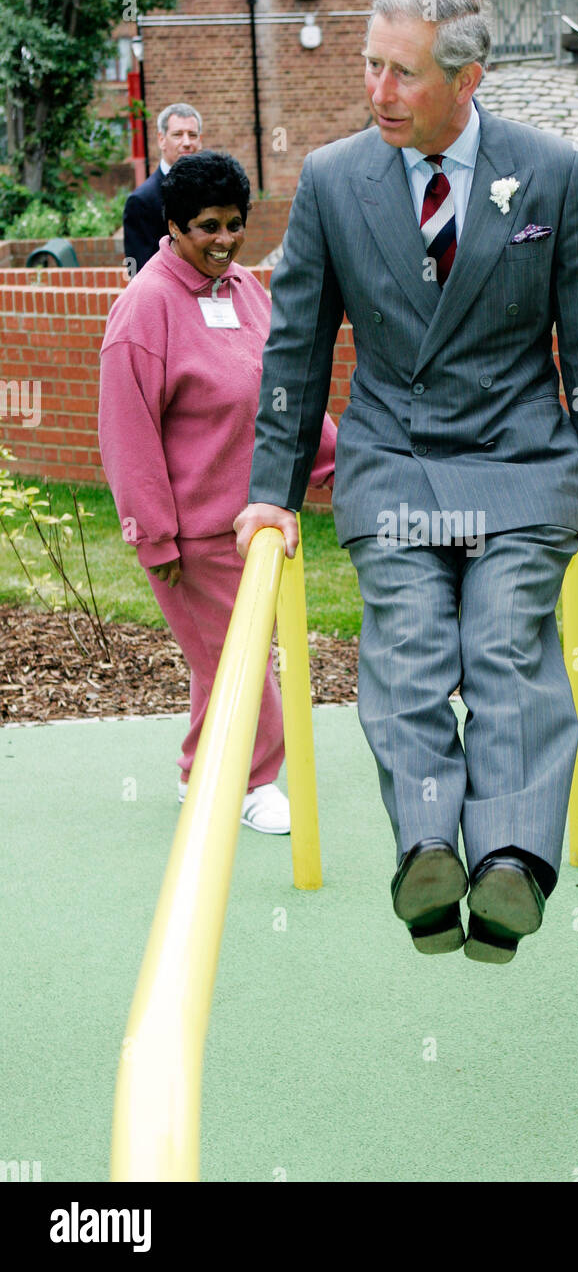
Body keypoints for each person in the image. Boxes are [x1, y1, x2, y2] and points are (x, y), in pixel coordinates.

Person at [235, 0, 578, 954]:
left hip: (519, 458)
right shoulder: (335, 181)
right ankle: (429, 850)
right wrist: (271, 490)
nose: (377, 90)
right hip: (394, 458)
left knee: (507, 643)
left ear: (467, 79)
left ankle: (508, 863)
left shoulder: (548, 173)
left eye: (403, 73)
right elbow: (295, 345)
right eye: (370, 66)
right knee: (411, 645)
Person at [100, 150, 337, 834]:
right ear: (171, 227)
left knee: (225, 658)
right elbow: (126, 432)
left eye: (235, 224)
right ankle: (251, 781)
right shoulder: (144, 310)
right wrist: (154, 535)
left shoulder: (244, 291)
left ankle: (202, 769)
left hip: (257, 520)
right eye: (207, 227)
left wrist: (340, 459)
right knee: (237, 660)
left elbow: (281, 392)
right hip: (195, 535)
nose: (225, 241)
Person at [122, 103, 203, 273]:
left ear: (200, 140)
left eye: (192, 135)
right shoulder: (141, 201)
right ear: (161, 140)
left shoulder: (209, 191)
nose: (187, 142)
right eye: (178, 135)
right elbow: (138, 272)